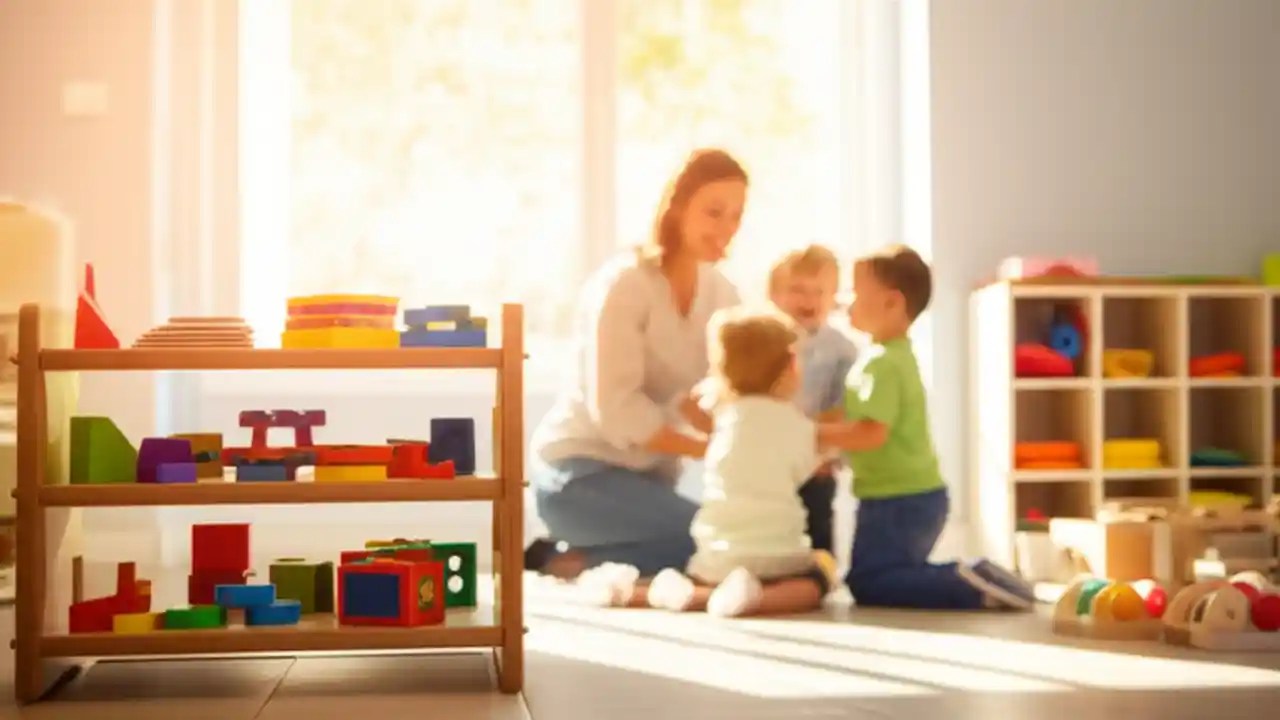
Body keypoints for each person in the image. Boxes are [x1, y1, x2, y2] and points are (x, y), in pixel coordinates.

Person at [524, 149, 747, 588]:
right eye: (714, 212)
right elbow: (617, 410)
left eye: (737, 215)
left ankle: (567, 561)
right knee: (715, 541)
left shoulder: (722, 295)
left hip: (646, 485)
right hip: (577, 475)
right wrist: (712, 451)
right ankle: (566, 554)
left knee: (723, 542)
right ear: (677, 207)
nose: (727, 228)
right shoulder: (624, 284)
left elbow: (726, 391)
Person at [826, 244, 1036, 610]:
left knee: (870, 581)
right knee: (875, 576)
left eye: (855, 293)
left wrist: (815, 434)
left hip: (899, 500)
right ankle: (972, 575)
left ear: (892, 303)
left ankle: (966, 580)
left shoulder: (882, 364)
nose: (846, 302)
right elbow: (854, 418)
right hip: (902, 496)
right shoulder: (890, 357)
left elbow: (872, 433)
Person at [643, 307, 837, 617]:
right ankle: (756, 598)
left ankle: (690, 592)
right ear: (791, 366)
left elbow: (690, 407)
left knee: (712, 575)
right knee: (818, 579)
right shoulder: (795, 424)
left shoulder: (724, 419)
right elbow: (811, 472)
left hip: (715, 558)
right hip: (777, 558)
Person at [767, 245, 857, 554]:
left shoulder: (841, 350)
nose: (808, 300)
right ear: (775, 296)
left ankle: (821, 576)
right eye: (796, 290)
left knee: (817, 522)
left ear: (833, 299)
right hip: (772, 460)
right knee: (772, 525)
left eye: (818, 292)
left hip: (815, 460)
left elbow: (843, 409)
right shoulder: (764, 343)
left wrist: (827, 453)